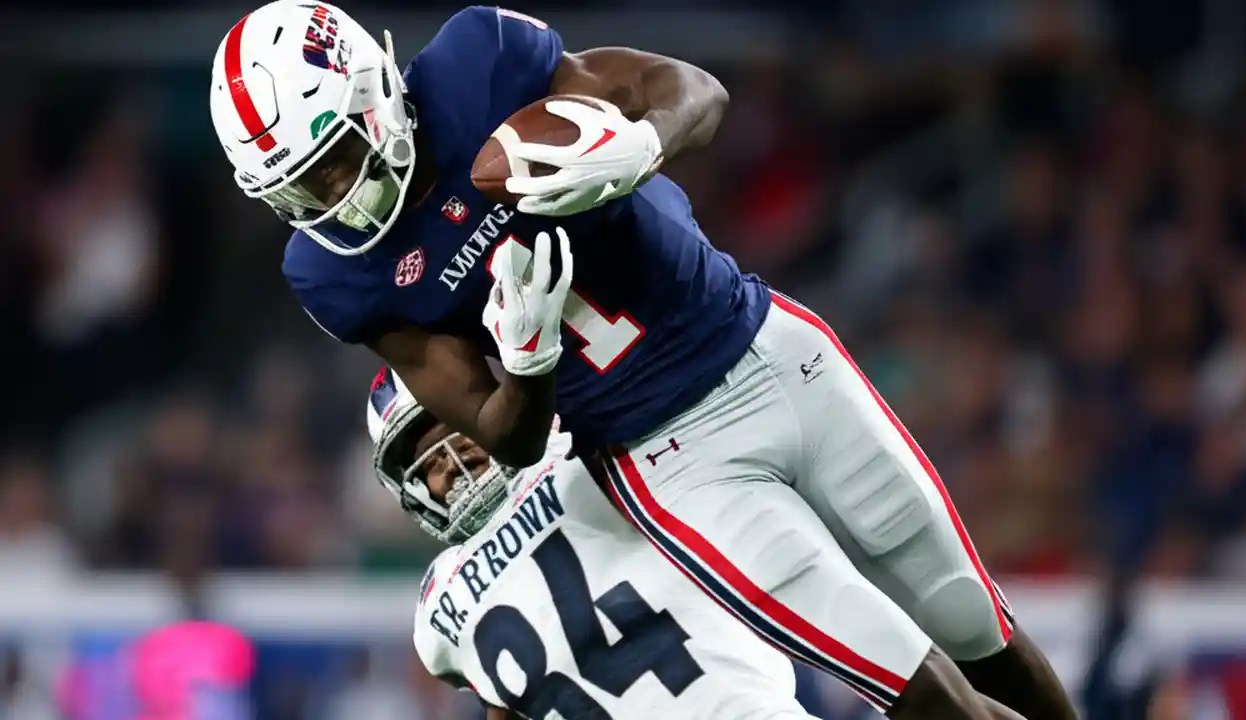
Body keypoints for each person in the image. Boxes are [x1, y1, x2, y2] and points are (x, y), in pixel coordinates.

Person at [210, 4, 1075, 716]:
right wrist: (528, 354)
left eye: (334, 164)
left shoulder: (481, 61)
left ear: (373, 90)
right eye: (300, 189)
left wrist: (642, 145)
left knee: (980, 629)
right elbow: (502, 434)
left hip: (769, 346)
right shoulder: (330, 273)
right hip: (668, 463)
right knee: (925, 696)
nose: (335, 198)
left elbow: (691, 90)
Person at [366, 367, 818, 719]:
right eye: (429, 455)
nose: (452, 458)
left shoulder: (441, 605)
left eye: (455, 427)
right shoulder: (579, 450)